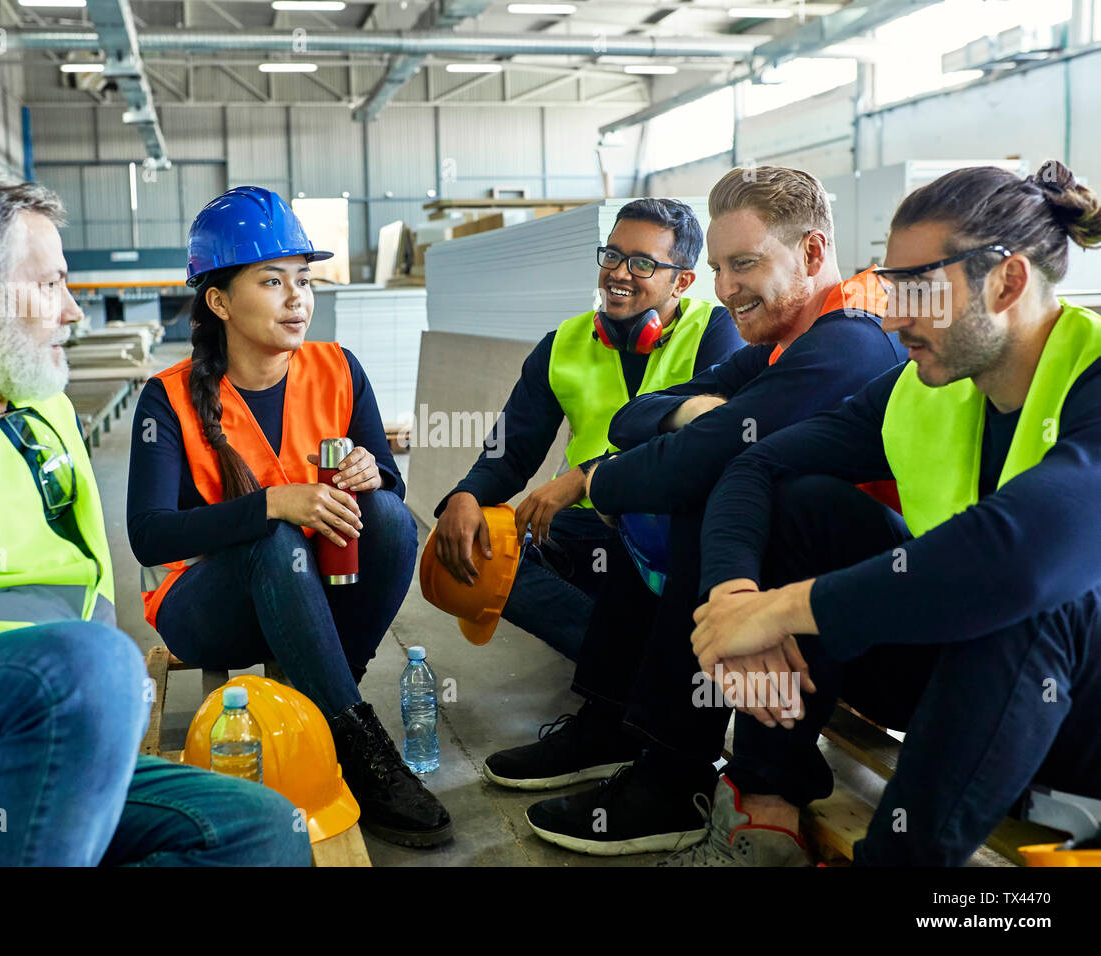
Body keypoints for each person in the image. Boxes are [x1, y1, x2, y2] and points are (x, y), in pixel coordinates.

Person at [0, 170, 308, 866]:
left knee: (262, 833)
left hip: (51, 735)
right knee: (92, 662)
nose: (72, 311)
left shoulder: (42, 412)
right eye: (50, 285)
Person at [683, 161, 1101, 866]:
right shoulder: (919, 386)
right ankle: (767, 799)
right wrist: (734, 599)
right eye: (890, 282)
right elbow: (758, 465)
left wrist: (784, 610)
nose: (893, 312)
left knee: (1028, 595)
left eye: (918, 288)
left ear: (1008, 281)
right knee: (805, 505)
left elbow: (1017, 560)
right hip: (969, 693)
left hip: (1080, 721)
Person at [484, 167, 907, 856]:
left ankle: (674, 774)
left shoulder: (849, 341)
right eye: (717, 267)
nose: (726, 288)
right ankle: (619, 723)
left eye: (744, 264)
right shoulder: (783, 335)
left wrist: (604, 481)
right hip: (827, 609)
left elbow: (695, 465)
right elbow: (634, 416)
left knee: (698, 492)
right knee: (672, 497)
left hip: (889, 636)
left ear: (810, 252)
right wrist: (684, 410)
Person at [127, 186, 450, 848]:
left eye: (302, 280)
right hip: (208, 608)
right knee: (274, 537)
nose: (297, 298)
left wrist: (371, 471)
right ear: (219, 300)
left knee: (390, 517)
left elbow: (384, 472)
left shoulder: (337, 369)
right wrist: (271, 503)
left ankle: (331, 705)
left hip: (315, 598)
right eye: (272, 281)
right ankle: (362, 749)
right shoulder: (168, 399)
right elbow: (149, 533)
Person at [433, 198, 743, 659]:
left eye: (641, 263)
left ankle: (618, 664)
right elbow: (511, 451)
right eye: (613, 255)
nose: (619, 273)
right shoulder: (562, 344)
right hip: (583, 529)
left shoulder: (715, 331)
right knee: (480, 560)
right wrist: (466, 494)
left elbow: (707, 445)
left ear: (682, 281)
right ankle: (629, 661)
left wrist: (583, 478)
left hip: (667, 524)